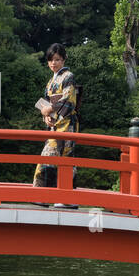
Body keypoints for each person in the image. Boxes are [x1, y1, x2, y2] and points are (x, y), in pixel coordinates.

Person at [33, 43, 80, 201]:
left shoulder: (68, 77)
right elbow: (45, 102)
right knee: (52, 157)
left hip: (66, 123)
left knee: (62, 157)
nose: (54, 63)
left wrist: (49, 110)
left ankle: (62, 198)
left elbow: (69, 100)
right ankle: (49, 196)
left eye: (58, 59)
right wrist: (46, 115)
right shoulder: (50, 82)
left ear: (64, 59)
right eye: (51, 60)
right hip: (53, 124)